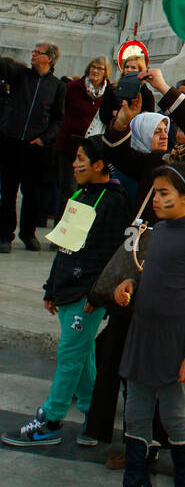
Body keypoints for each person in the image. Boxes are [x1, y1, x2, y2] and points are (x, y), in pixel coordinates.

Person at [85, 68, 185, 464]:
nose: (177, 131)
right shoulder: (160, 165)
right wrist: (123, 118)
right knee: (124, 355)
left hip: (175, 285)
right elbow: (113, 151)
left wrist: (166, 90)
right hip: (137, 276)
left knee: (175, 374)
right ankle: (137, 444)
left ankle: (184, 447)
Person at [94, 159, 185, 487]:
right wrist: (128, 286)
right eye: (155, 192)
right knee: (135, 414)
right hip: (142, 338)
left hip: (173, 344)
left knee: (175, 415)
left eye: (164, 193)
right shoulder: (159, 232)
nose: (156, 199)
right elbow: (150, 275)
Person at [2, 137, 131, 448]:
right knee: (82, 355)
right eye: (75, 158)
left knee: (69, 355)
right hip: (67, 290)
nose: (74, 164)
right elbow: (65, 246)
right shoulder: (80, 194)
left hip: (88, 297)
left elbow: (113, 257)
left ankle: (50, 420)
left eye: (80, 159)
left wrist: (97, 296)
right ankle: (92, 413)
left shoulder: (115, 202)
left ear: (98, 165)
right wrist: (51, 286)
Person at [0, 41, 66, 252]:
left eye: (39, 53)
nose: (34, 55)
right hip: (12, 141)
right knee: (8, 192)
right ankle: (5, 235)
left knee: (32, 194)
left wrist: (44, 139)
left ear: (50, 58)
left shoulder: (57, 86)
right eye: (34, 51)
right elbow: (4, 65)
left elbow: (58, 119)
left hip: (35, 147)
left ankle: (28, 233)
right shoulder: (22, 76)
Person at [53, 58, 112, 222]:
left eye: (100, 68)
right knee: (69, 190)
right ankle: (61, 231)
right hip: (69, 147)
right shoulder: (72, 88)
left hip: (92, 151)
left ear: (105, 72)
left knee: (86, 190)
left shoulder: (109, 92)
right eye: (93, 67)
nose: (95, 71)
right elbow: (60, 111)